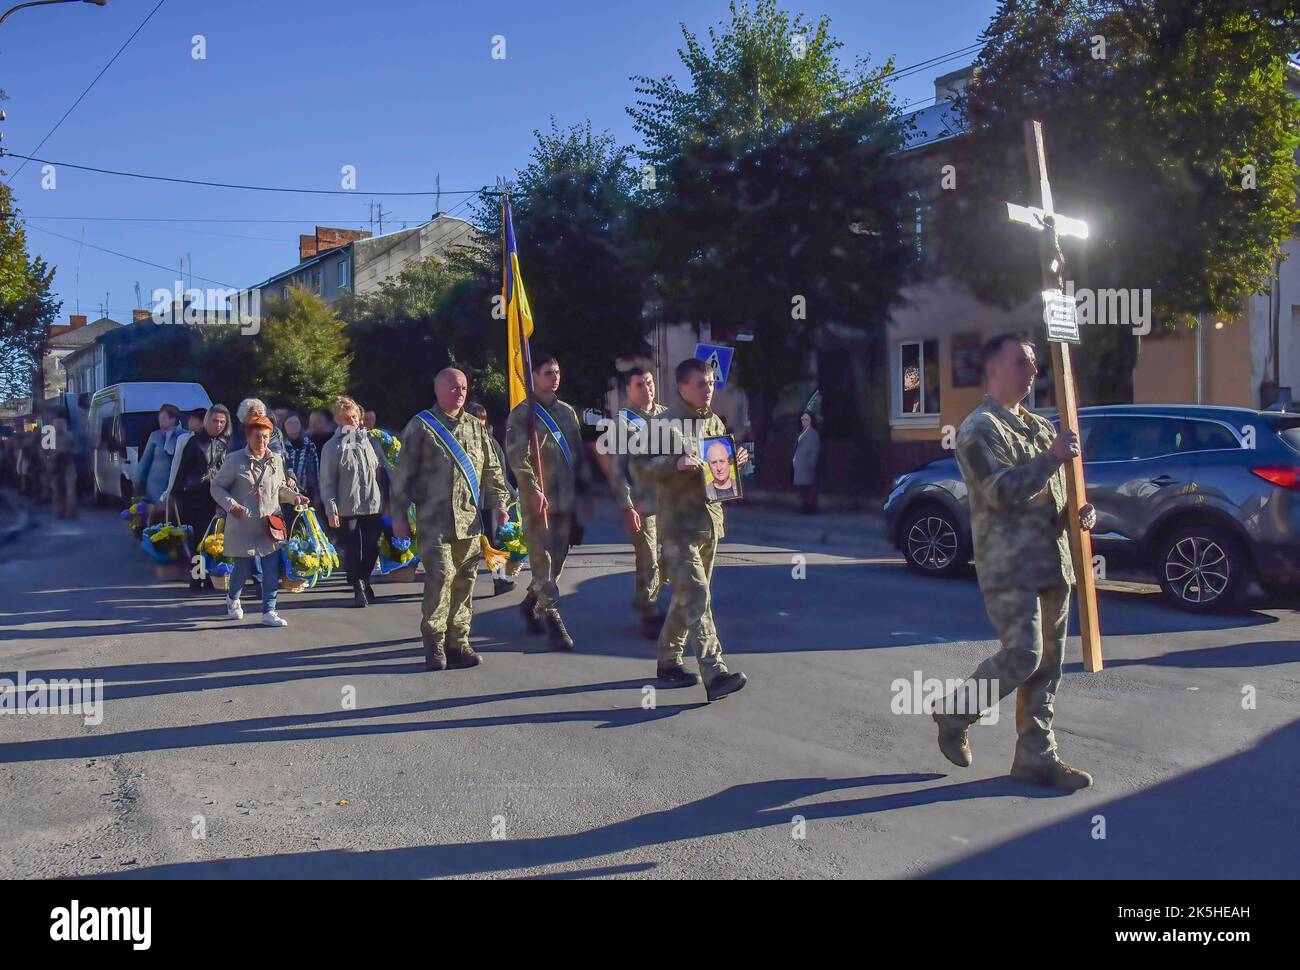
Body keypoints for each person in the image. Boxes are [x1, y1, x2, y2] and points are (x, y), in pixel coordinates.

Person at [931, 333, 1098, 792]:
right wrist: (1051, 459)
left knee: (1049, 664)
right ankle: (955, 711)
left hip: (1053, 560)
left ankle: (1035, 757)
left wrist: (1078, 511)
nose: (1033, 371)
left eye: (1034, 363)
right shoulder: (978, 429)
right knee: (1023, 655)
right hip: (1009, 563)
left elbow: (1053, 494)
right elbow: (1000, 493)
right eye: (1022, 362)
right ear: (995, 371)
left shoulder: (1041, 427)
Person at [633, 358, 749, 700]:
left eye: (711, 382)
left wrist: (734, 463)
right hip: (678, 527)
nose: (708, 388)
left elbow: (717, 471)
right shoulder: (666, 423)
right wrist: (676, 462)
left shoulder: (713, 421)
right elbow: (641, 467)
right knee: (698, 595)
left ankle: (668, 660)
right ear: (682, 386)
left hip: (709, 523)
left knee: (688, 598)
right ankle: (715, 672)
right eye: (701, 383)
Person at [391, 370, 509, 671]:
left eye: (464, 387)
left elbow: (492, 470)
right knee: (441, 577)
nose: (460, 392)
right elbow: (402, 476)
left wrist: (499, 505)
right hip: (434, 521)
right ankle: (435, 643)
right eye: (453, 387)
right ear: (438, 389)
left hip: (469, 521)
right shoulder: (420, 427)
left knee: (465, 581)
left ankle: (459, 642)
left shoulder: (475, 427)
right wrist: (399, 517)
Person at [505, 353, 592, 651]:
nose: (554, 377)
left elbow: (578, 456)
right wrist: (531, 487)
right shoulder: (522, 414)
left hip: (565, 501)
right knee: (542, 564)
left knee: (555, 565)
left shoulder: (568, 413)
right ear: (534, 377)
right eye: (547, 372)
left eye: (556, 371)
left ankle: (530, 604)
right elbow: (517, 456)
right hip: (537, 503)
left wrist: (584, 495)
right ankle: (552, 618)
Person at [211, 414, 308, 626]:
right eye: (257, 437)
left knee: (271, 568)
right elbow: (216, 486)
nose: (262, 441)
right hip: (242, 523)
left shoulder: (276, 459)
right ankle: (233, 598)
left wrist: (295, 497)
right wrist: (231, 505)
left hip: (269, 524)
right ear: (248, 436)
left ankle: (269, 612)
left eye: (265, 437)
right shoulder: (234, 460)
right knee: (242, 568)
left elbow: (280, 488)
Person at [613, 366, 669, 639]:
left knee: (673, 554)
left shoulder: (668, 415)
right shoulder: (623, 423)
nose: (647, 389)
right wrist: (626, 504)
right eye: (640, 385)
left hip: (671, 499)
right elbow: (617, 468)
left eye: (649, 383)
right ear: (629, 390)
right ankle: (650, 611)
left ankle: (647, 597)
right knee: (648, 557)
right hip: (642, 500)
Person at [320, 395, 388, 609]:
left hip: (373, 504)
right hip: (347, 506)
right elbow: (327, 481)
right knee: (353, 548)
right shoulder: (332, 447)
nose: (355, 421)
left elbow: (382, 471)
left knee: (373, 547)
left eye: (356, 417)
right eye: (349, 418)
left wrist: (389, 499)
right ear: (340, 420)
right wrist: (331, 509)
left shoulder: (371, 441)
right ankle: (358, 585)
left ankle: (364, 578)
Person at [173, 405, 231, 591]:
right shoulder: (194, 442)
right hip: (196, 497)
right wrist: (174, 493)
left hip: (218, 496)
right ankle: (197, 578)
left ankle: (215, 576)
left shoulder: (225, 443)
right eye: (215, 421)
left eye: (222, 421)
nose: (219, 425)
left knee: (216, 539)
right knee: (199, 540)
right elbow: (182, 469)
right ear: (207, 421)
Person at [466, 401, 516, 596]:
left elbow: (500, 473)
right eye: (476, 418)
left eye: (483, 418)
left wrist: (505, 499)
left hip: (489, 500)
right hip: (468, 501)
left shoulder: (492, 442)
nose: (480, 422)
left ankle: (499, 579)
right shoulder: (461, 441)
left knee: (493, 541)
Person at [135, 404, 183, 504]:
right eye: (160, 418)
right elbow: (145, 461)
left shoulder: (183, 436)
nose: (160, 421)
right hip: (154, 486)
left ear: (173, 419)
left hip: (175, 486)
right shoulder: (155, 436)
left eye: (164, 418)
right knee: (156, 516)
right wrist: (138, 481)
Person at [282, 413, 320, 506]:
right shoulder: (281, 446)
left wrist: (316, 493)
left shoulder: (309, 445)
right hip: (285, 493)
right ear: (284, 427)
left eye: (296, 423)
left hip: (305, 492)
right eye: (290, 423)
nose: (293, 426)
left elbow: (314, 470)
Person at [792, 411, 821, 513]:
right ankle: (804, 505)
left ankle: (809, 506)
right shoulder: (802, 433)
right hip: (800, 464)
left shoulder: (813, 434)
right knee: (802, 488)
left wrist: (811, 462)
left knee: (808, 487)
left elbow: (814, 450)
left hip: (807, 465)